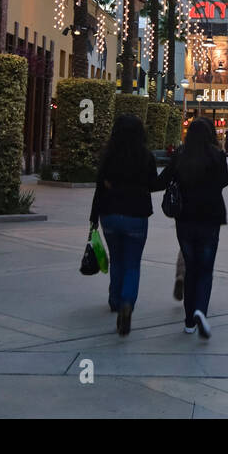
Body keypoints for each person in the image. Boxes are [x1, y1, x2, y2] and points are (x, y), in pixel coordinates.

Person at [157, 117, 228, 338]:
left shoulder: (180, 154)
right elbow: (224, 181)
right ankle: (200, 311)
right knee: (205, 270)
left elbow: (161, 181)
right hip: (210, 218)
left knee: (191, 267)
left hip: (185, 219)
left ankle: (188, 321)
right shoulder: (217, 155)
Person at [91, 114, 161, 336]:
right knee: (132, 262)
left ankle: (115, 299)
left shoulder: (108, 156)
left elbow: (99, 187)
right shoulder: (145, 156)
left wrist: (93, 217)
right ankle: (127, 302)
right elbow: (153, 184)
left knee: (117, 259)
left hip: (110, 214)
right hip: (136, 215)